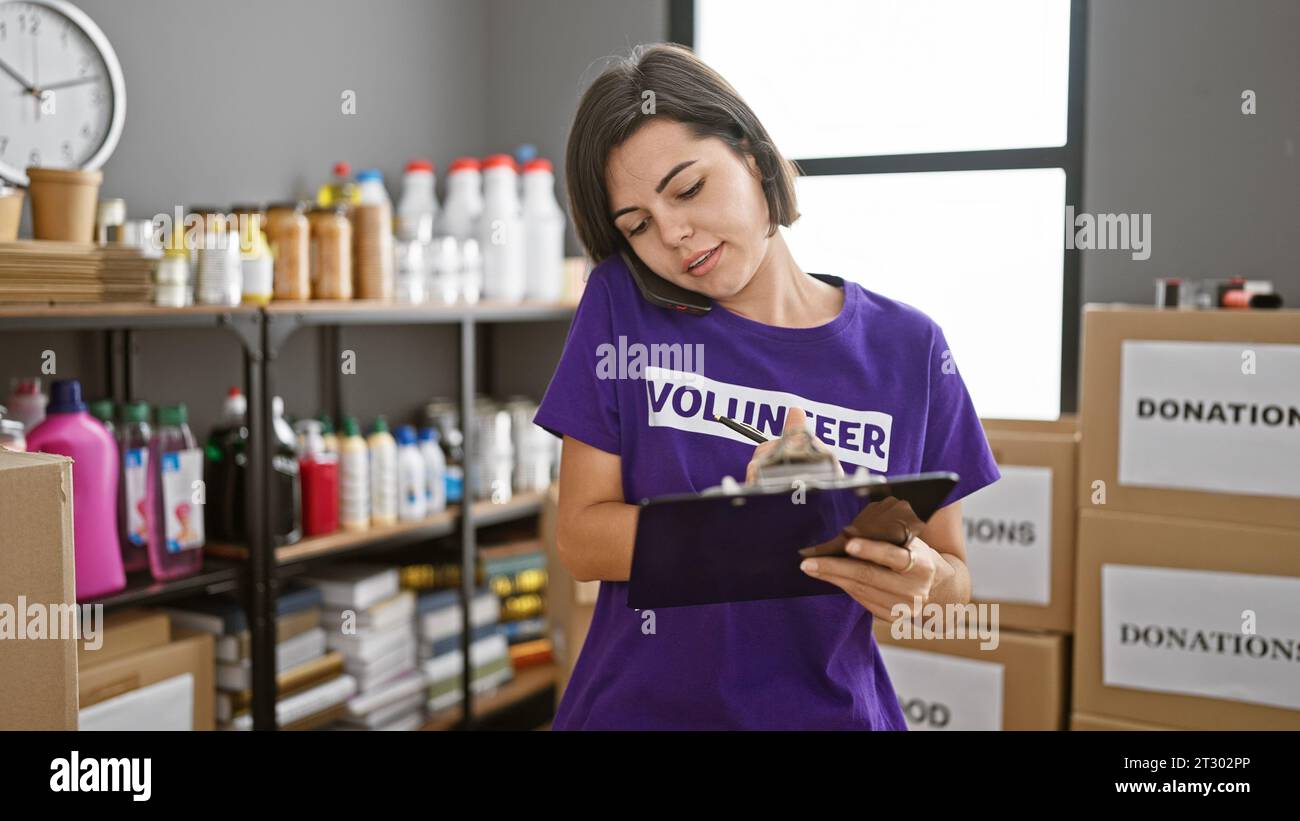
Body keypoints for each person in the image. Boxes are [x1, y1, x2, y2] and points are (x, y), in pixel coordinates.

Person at [533, 43, 1001, 730]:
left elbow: (954, 578)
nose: (674, 234)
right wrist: (748, 527)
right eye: (637, 225)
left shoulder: (909, 348)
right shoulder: (622, 306)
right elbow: (578, 537)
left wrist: (919, 579)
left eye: (687, 189)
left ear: (752, 155)